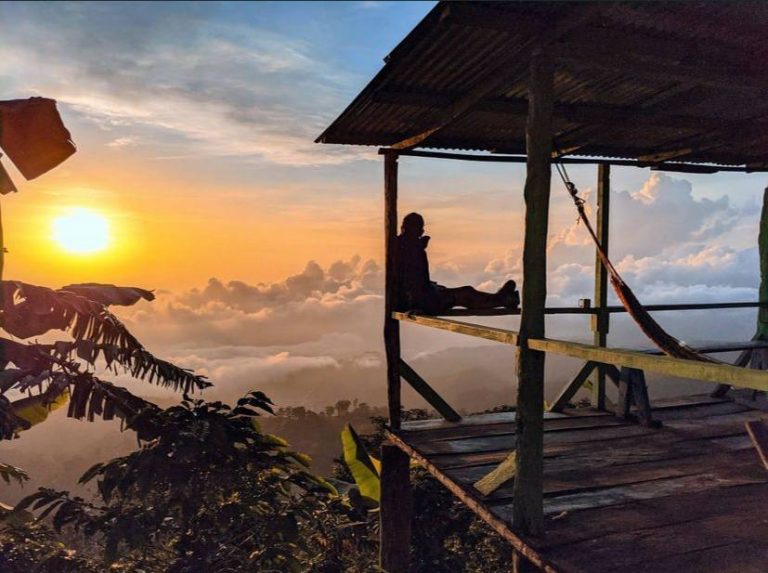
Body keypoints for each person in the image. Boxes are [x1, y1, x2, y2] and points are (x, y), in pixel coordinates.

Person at [396, 212, 519, 314]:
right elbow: (415, 282)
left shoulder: (404, 246)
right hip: (424, 302)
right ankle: (502, 300)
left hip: (420, 299)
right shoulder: (412, 250)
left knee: (464, 293)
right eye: (419, 229)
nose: (422, 232)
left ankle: (501, 298)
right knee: (466, 294)